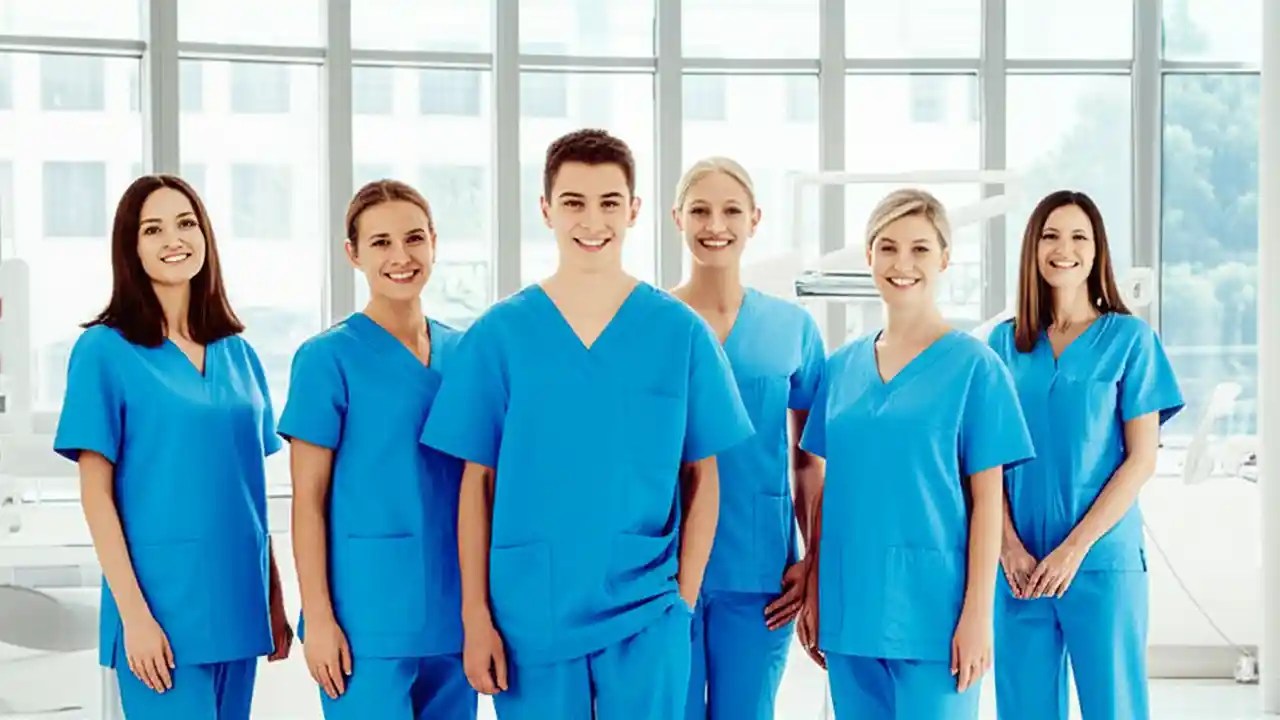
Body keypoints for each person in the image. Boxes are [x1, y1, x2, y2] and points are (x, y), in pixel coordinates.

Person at [419, 128, 753, 719]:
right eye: (573, 202)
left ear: (634, 211)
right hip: (531, 611)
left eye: (609, 203)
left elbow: (703, 476)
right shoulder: (501, 335)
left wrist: (682, 600)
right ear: (546, 210)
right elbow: (477, 485)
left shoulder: (678, 332)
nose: (592, 221)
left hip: (648, 608)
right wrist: (476, 615)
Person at [53, 174, 293, 719]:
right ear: (131, 248)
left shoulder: (239, 354)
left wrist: (274, 595)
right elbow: (96, 496)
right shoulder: (103, 351)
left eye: (186, 223)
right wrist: (134, 617)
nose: (173, 239)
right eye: (153, 229)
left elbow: (247, 492)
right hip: (161, 611)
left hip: (239, 602)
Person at [797, 189, 1034, 719]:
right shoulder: (841, 368)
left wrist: (978, 615)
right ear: (869, 256)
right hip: (851, 607)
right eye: (888, 247)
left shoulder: (975, 367)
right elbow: (832, 488)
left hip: (935, 616)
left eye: (920, 249)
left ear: (945, 259)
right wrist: (813, 582)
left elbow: (988, 503)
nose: (902, 263)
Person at [278, 180, 477, 719]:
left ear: (434, 242)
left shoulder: (466, 354)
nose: (400, 257)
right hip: (364, 622)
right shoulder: (327, 359)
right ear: (354, 254)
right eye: (381, 243)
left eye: (413, 238)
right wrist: (319, 617)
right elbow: (308, 502)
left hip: (453, 616)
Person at [989, 190, 1183, 720]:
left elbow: (1141, 460)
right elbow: (985, 462)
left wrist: (1074, 549)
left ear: (1097, 251)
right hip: (1019, 568)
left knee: (1113, 708)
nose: (1064, 249)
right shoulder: (1002, 346)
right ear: (1033, 248)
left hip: (1100, 561)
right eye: (1051, 235)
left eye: (1080, 237)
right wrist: (1007, 546)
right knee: (1023, 709)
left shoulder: (1130, 340)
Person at [668, 157, 825, 720]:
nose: (716, 225)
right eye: (700, 211)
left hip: (761, 571)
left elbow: (808, 459)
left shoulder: (792, 329)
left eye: (731, 211)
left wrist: (814, 558)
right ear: (677, 218)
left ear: (755, 219)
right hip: (662, 568)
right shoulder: (650, 322)